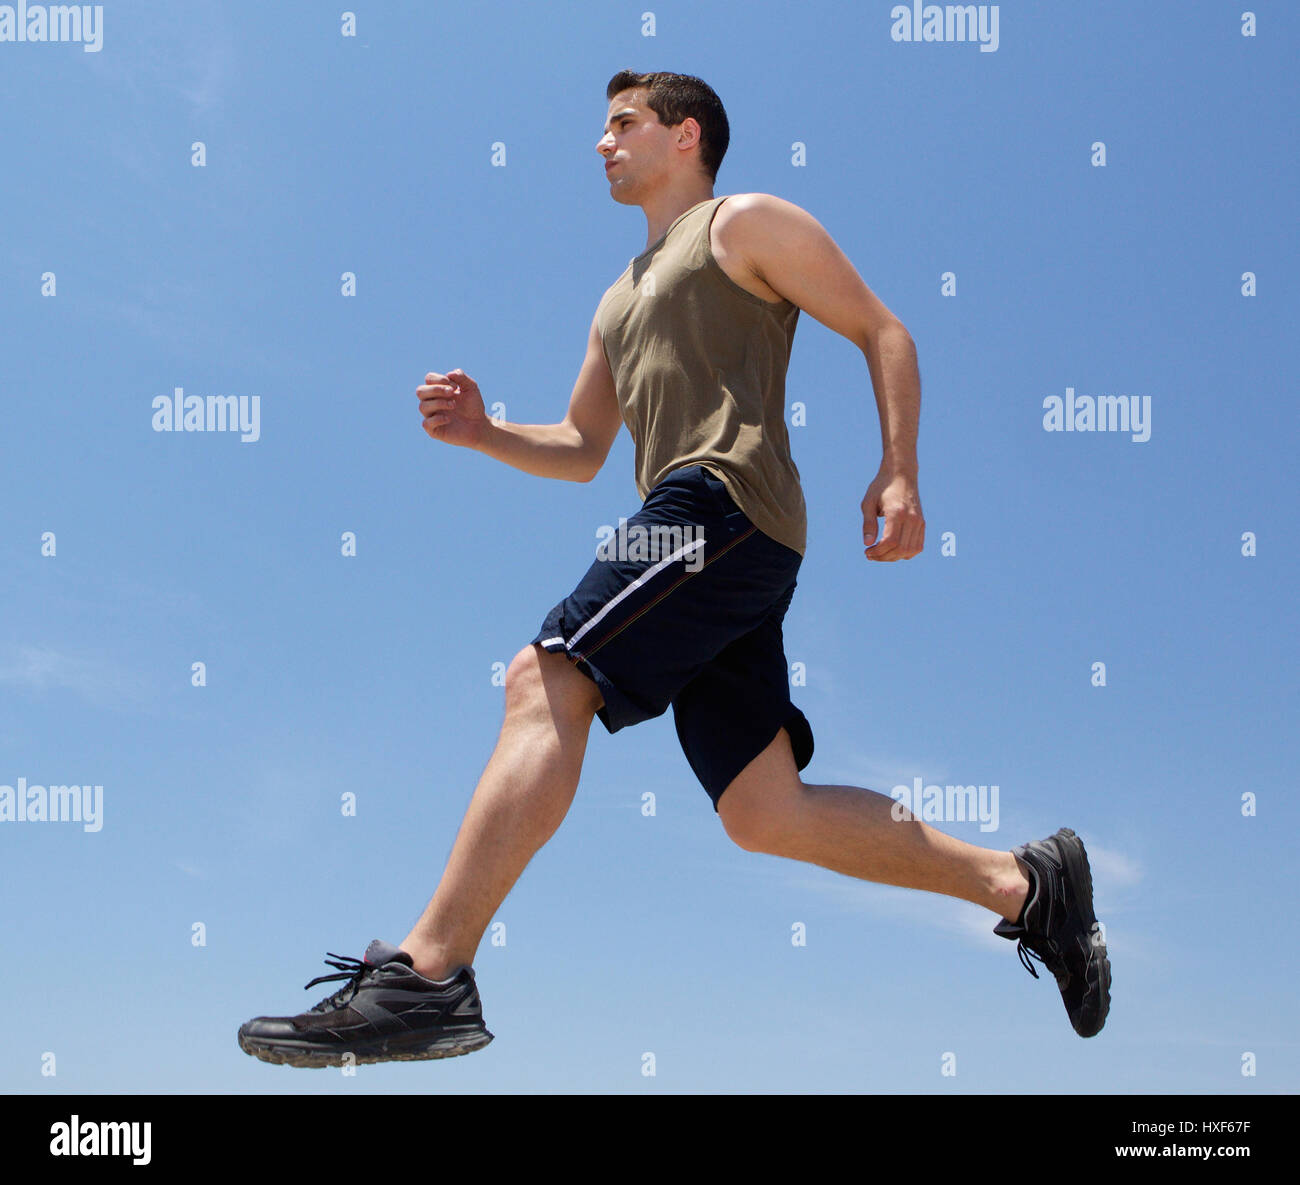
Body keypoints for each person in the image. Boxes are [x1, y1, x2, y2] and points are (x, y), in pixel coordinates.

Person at [238, 70, 1110, 1069]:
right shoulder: (617, 298)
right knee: (763, 813)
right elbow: (578, 444)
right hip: (709, 538)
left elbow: (883, 329)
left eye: (622, 123)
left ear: (685, 134)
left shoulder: (743, 224)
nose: (602, 143)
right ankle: (1023, 883)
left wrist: (900, 469)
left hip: (718, 504)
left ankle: (429, 975)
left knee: (545, 675)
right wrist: (482, 431)